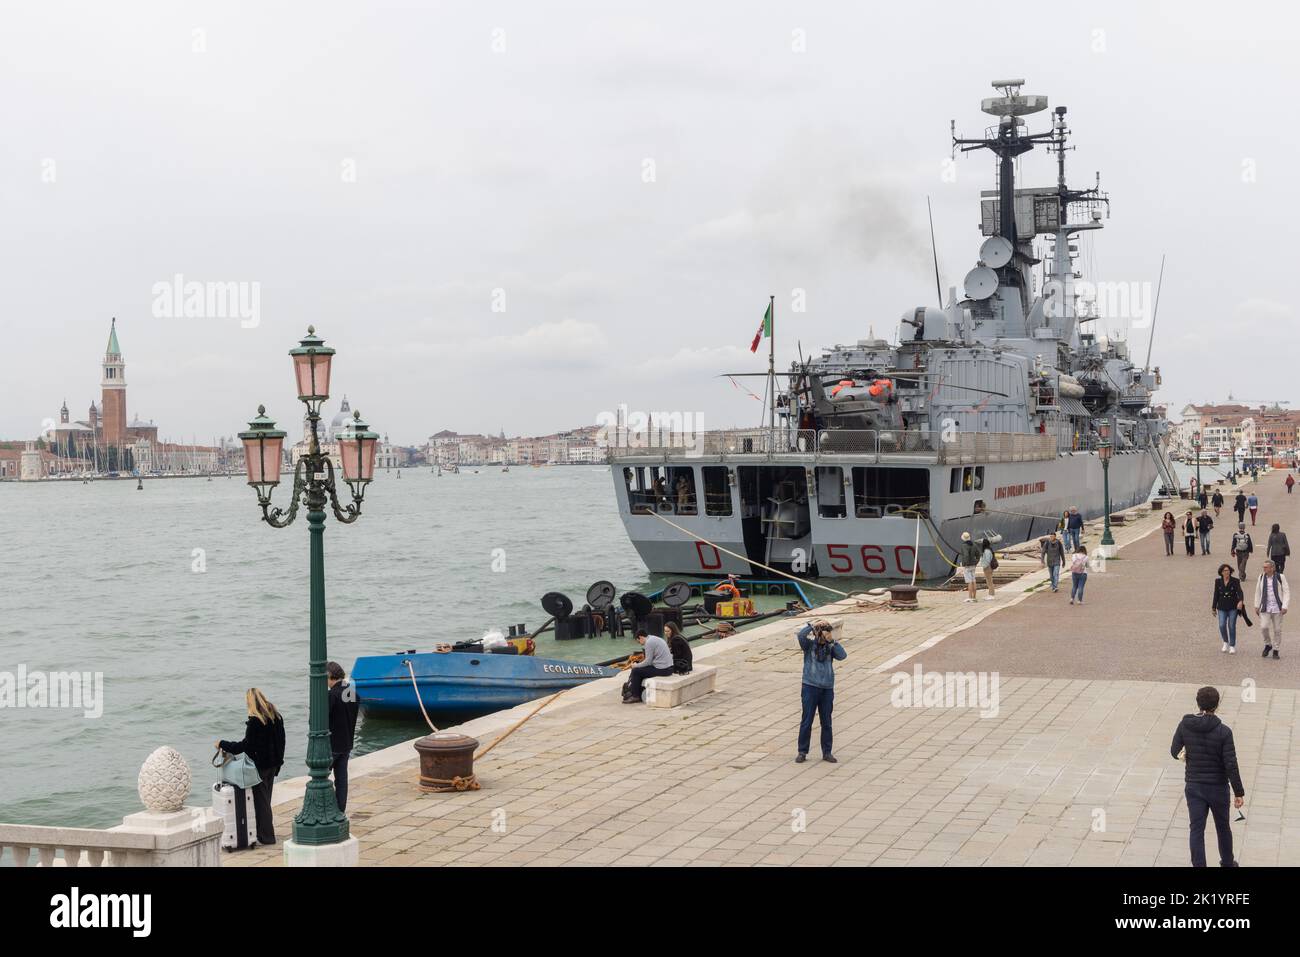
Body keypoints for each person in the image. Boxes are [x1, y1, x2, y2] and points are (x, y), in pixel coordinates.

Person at [1171, 686, 1244, 868]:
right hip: (1218, 787)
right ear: (1217, 705)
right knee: (1222, 827)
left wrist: (1188, 754)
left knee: (1196, 829)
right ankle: (1227, 863)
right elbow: (1231, 764)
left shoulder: (1184, 725)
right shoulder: (1224, 732)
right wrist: (1238, 792)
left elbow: (1174, 751)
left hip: (1194, 786)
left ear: (1198, 703)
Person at [217, 688, 286, 847]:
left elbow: (245, 746)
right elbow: (282, 742)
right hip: (274, 764)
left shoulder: (256, 722)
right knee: (265, 800)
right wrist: (279, 762)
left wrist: (222, 744)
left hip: (261, 767)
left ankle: (268, 837)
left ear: (250, 702)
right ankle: (262, 833)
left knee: (262, 803)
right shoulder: (276, 716)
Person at [795, 619, 846, 763]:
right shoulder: (809, 646)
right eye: (825, 632)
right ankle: (802, 751)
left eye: (828, 632)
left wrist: (833, 641)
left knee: (827, 722)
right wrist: (812, 626)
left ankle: (827, 752)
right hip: (810, 687)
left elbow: (842, 656)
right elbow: (800, 636)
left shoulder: (831, 647)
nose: (827, 635)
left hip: (827, 688)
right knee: (807, 720)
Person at [327, 661, 360, 813]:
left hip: (332, 744)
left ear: (329, 675)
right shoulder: (352, 693)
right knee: (342, 781)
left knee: (320, 779)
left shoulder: (331, 695)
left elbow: (321, 720)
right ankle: (340, 811)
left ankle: (327, 810)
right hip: (346, 742)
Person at [623, 629, 674, 703]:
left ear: (641, 637)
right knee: (641, 670)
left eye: (639, 641)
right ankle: (637, 691)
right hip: (669, 667)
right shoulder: (654, 638)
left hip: (663, 669)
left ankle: (635, 696)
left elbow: (648, 661)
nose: (640, 644)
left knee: (636, 671)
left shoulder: (648, 643)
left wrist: (636, 665)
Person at [1254, 559, 1289, 660]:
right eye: (1263, 567)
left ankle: (1276, 650)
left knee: (1277, 630)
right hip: (1265, 607)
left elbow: (1286, 592)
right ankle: (1268, 644)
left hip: (1278, 608)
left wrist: (1285, 606)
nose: (1264, 569)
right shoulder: (1261, 577)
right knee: (1264, 627)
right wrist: (1256, 605)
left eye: (1266, 567)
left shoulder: (1280, 577)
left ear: (1272, 568)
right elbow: (1258, 592)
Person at [1211, 563, 1245, 654]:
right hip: (1221, 606)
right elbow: (1216, 594)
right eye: (1225, 571)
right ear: (1221, 572)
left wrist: (1241, 601)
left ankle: (1232, 645)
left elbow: (1240, 592)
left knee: (1231, 626)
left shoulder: (1235, 581)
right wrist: (1213, 607)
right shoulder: (1218, 581)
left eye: (1228, 570)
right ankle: (1225, 642)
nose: (1227, 572)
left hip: (1233, 606)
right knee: (1222, 625)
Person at [957, 531, 981, 603]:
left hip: (968, 566)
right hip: (973, 565)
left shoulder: (964, 545)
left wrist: (965, 564)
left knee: (969, 581)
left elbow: (966, 555)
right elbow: (978, 554)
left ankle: (970, 597)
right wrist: (976, 562)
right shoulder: (974, 544)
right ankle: (974, 597)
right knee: (973, 580)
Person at [979, 536, 997, 600]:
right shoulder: (989, 550)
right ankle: (990, 594)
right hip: (989, 567)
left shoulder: (986, 551)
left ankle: (991, 595)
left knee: (989, 581)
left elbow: (987, 560)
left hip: (987, 568)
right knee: (989, 581)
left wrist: (984, 567)